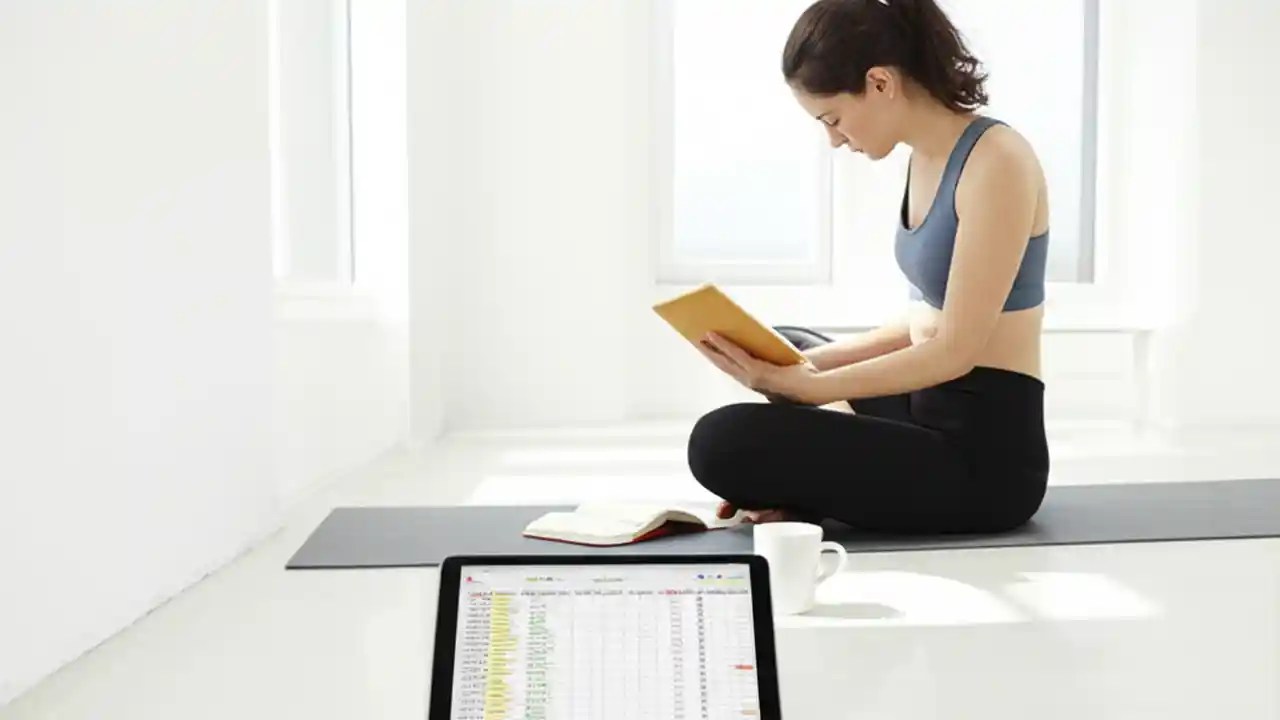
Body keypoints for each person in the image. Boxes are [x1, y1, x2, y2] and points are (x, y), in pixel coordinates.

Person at [687, 0, 1050, 534]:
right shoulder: (926, 158)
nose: (834, 139)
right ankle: (814, 484)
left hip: (983, 458)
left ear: (880, 83)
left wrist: (807, 389)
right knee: (787, 344)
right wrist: (806, 369)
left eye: (832, 119)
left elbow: (954, 350)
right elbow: (920, 322)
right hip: (921, 408)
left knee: (720, 441)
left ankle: (808, 483)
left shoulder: (997, 162)